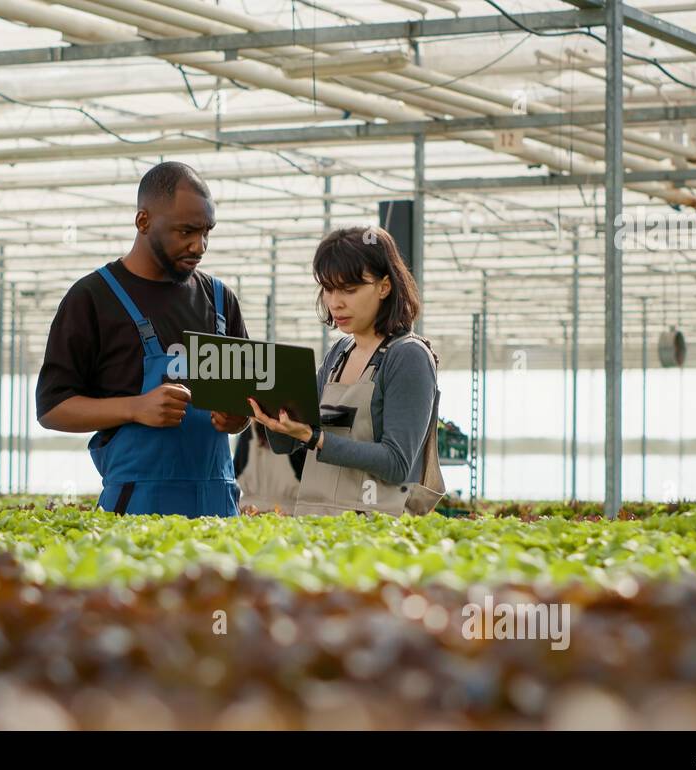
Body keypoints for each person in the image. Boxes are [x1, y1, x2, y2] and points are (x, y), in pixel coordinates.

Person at [36, 161, 250, 517]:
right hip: (136, 507)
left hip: (218, 505)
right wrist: (136, 408)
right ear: (143, 222)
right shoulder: (92, 298)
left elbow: (244, 404)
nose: (199, 246)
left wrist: (237, 417)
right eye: (186, 232)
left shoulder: (220, 301)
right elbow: (52, 409)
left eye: (207, 232)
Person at [249, 226, 445, 517]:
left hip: (378, 531)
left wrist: (315, 438)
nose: (335, 302)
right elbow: (288, 444)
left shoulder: (408, 357)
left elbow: (397, 463)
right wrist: (268, 413)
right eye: (328, 289)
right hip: (318, 522)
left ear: (385, 286)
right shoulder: (338, 354)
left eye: (349, 290)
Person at [233, 424, 304, 514]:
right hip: (249, 513)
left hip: (289, 514)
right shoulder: (247, 432)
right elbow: (235, 474)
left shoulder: (295, 433)